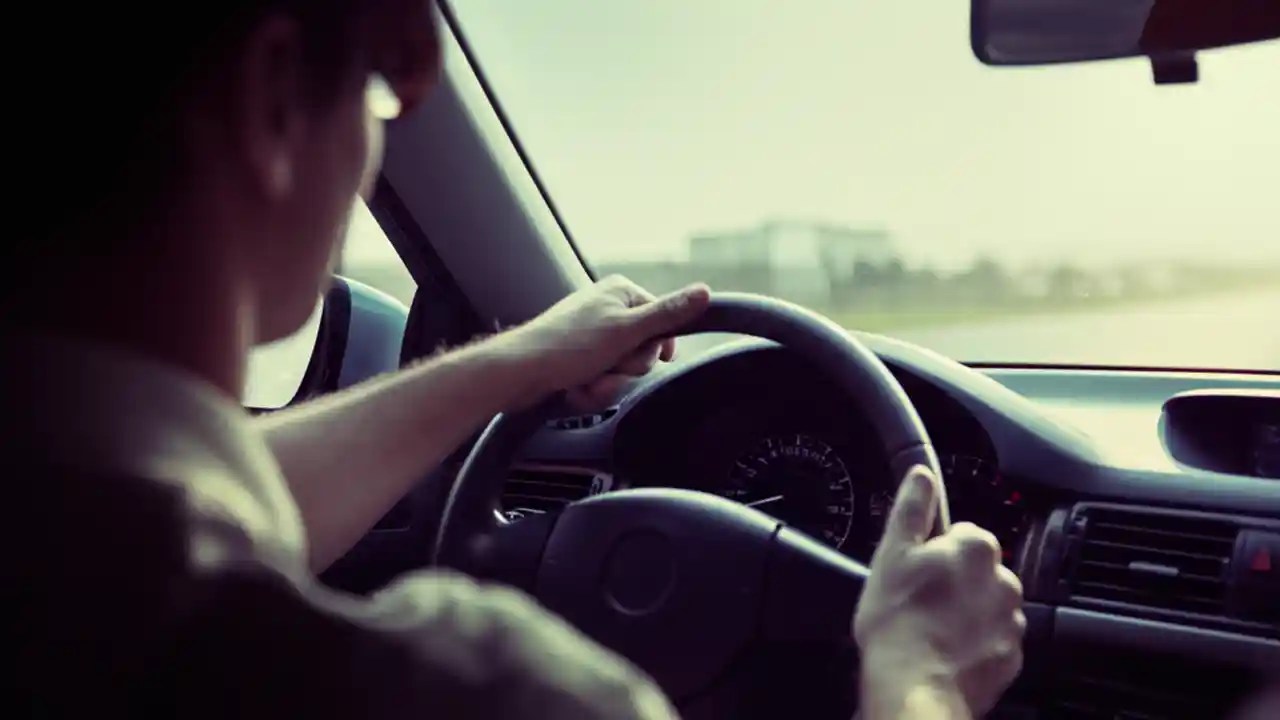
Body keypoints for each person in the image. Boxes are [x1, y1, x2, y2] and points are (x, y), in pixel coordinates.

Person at [7, 1, 1024, 718]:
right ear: (273, 97)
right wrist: (918, 676)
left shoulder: (65, 542)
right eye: (377, 91)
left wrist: (518, 361)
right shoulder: (472, 692)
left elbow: (179, 509)